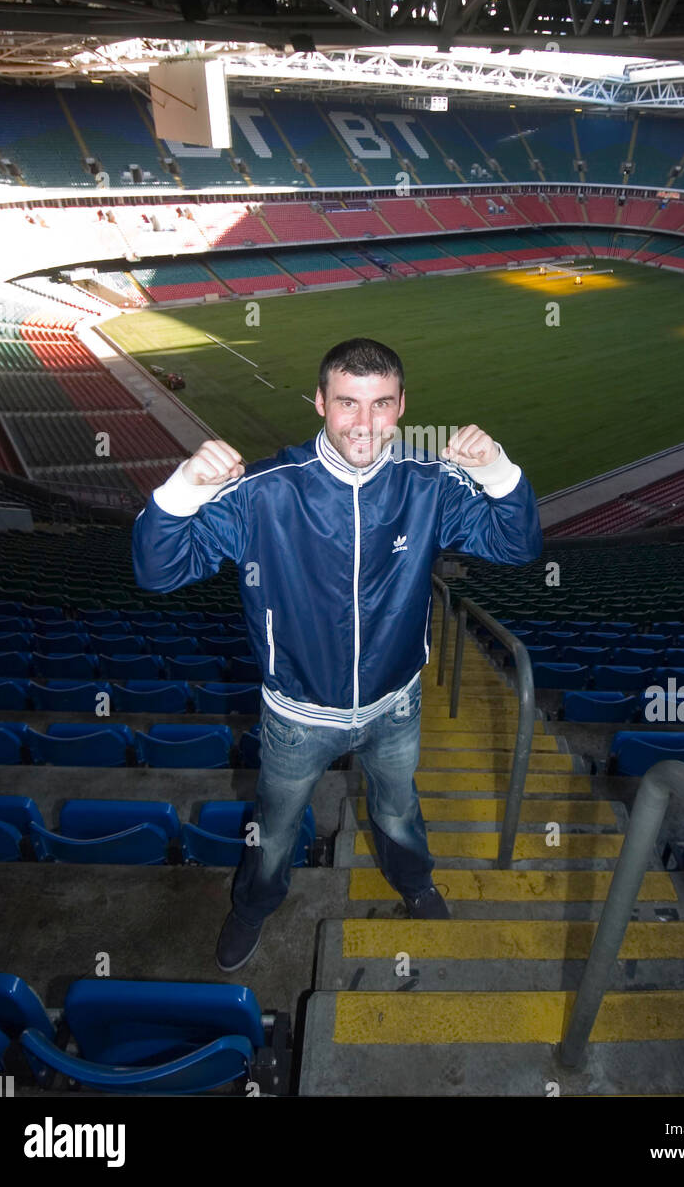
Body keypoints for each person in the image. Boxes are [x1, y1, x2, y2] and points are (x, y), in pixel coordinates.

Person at [132, 337, 543, 972]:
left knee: (400, 809)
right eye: (348, 403)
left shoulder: (430, 486)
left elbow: (517, 546)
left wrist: (497, 471)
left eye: (380, 404)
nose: (364, 423)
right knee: (272, 834)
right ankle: (252, 905)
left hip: (395, 705)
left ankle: (414, 881)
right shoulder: (264, 491)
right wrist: (183, 488)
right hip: (297, 715)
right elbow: (157, 571)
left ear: (403, 406)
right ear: (320, 402)